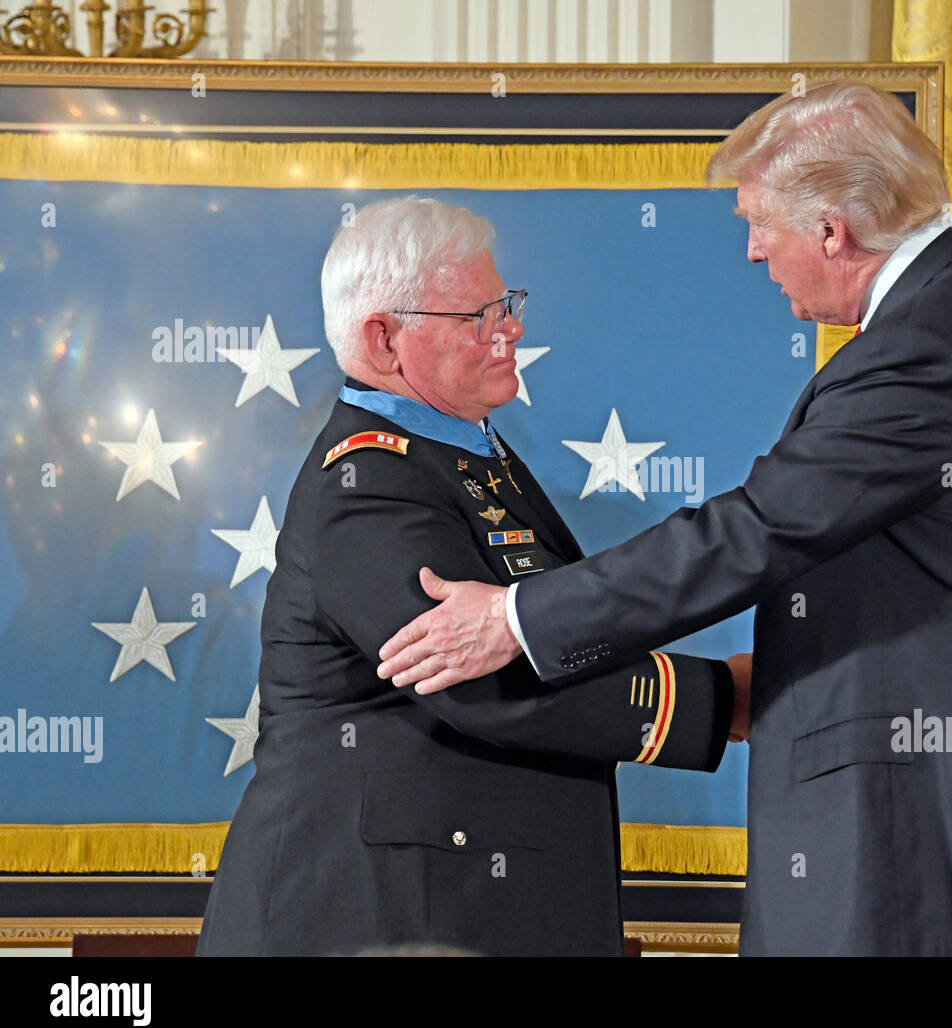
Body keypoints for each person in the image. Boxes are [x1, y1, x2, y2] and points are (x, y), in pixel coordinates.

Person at [375, 82, 952, 956]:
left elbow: (759, 529)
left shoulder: (932, 341)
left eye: (759, 223)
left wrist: (515, 617)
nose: (755, 252)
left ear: (832, 230)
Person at [196, 196, 736, 957]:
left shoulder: (465, 453)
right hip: (377, 921)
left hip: (460, 905)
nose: (510, 328)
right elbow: (484, 686)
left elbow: (539, 633)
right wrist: (721, 701)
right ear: (383, 338)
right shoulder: (369, 483)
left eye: (506, 304)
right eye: (477, 314)